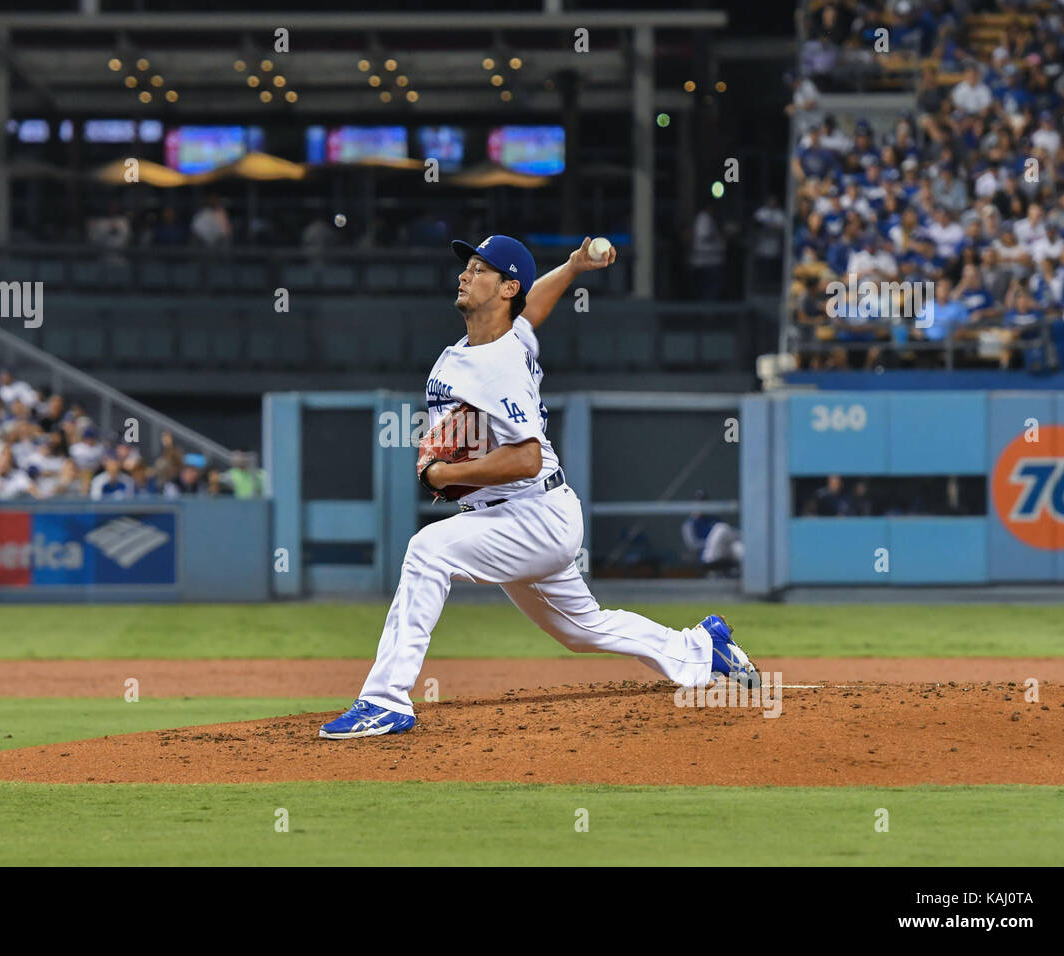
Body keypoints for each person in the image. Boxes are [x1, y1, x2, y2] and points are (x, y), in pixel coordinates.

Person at [319, 236, 760, 740]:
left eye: (480, 269)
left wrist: (444, 475)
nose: (465, 274)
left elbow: (526, 458)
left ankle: (385, 699)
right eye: (467, 266)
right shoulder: (501, 341)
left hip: (532, 513)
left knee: (427, 550)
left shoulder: (498, 365)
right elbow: (532, 311)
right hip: (522, 512)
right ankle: (705, 649)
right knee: (581, 629)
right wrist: (572, 266)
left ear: (507, 287)